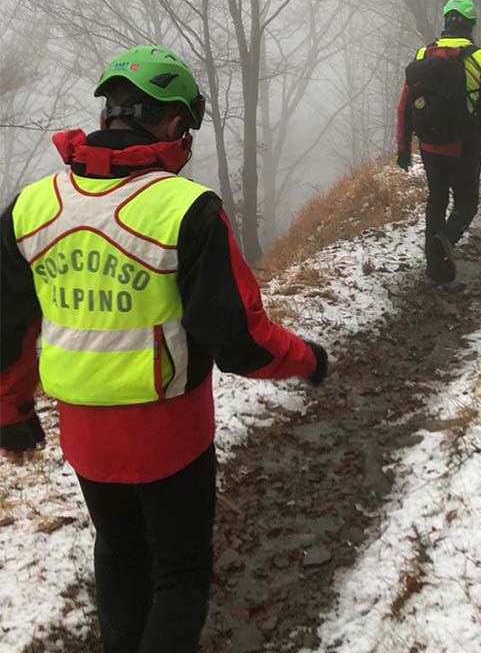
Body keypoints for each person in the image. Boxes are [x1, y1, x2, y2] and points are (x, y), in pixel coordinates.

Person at [0, 45, 329, 653]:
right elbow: (240, 341)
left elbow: (9, 326)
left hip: (84, 429)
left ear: (108, 117)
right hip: (170, 430)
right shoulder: (188, 210)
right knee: (179, 570)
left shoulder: (29, 208)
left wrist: (11, 411)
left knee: (119, 551)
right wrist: (307, 359)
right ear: (175, 126)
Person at [395, 0, 481, 283]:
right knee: (467, 203)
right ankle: (444, 239)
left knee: (436, 199)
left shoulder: (423, 56)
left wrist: (403, 147)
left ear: (446, 21)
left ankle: (435, 266)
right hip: (465, 143)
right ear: (470, 24)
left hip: (430, 144)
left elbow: (405, 106)